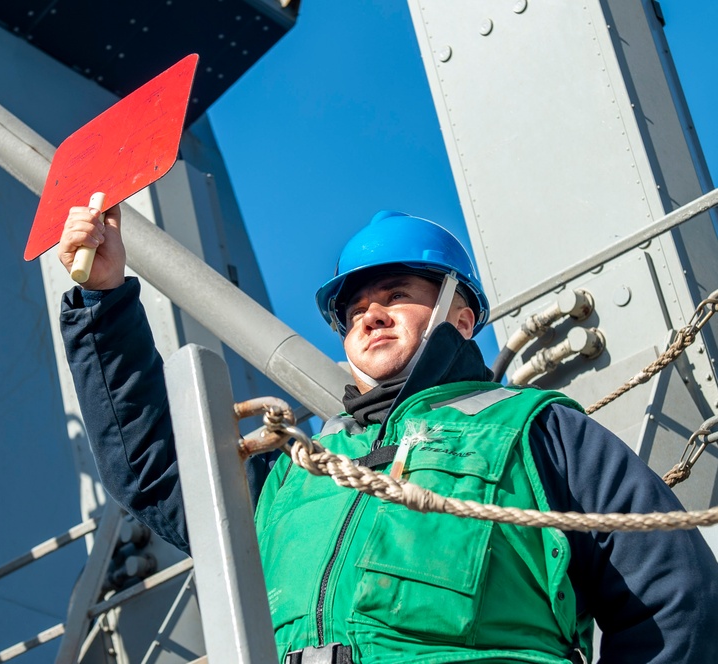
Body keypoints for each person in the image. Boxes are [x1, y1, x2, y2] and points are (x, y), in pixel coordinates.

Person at [57, 204, 718, 663]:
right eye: (354, 312)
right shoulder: (298, 470)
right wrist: (102, 299)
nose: (369, 315)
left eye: (395, 294)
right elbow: (159, 472)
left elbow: (674, 599)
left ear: (461, 317)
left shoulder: (538, 431)